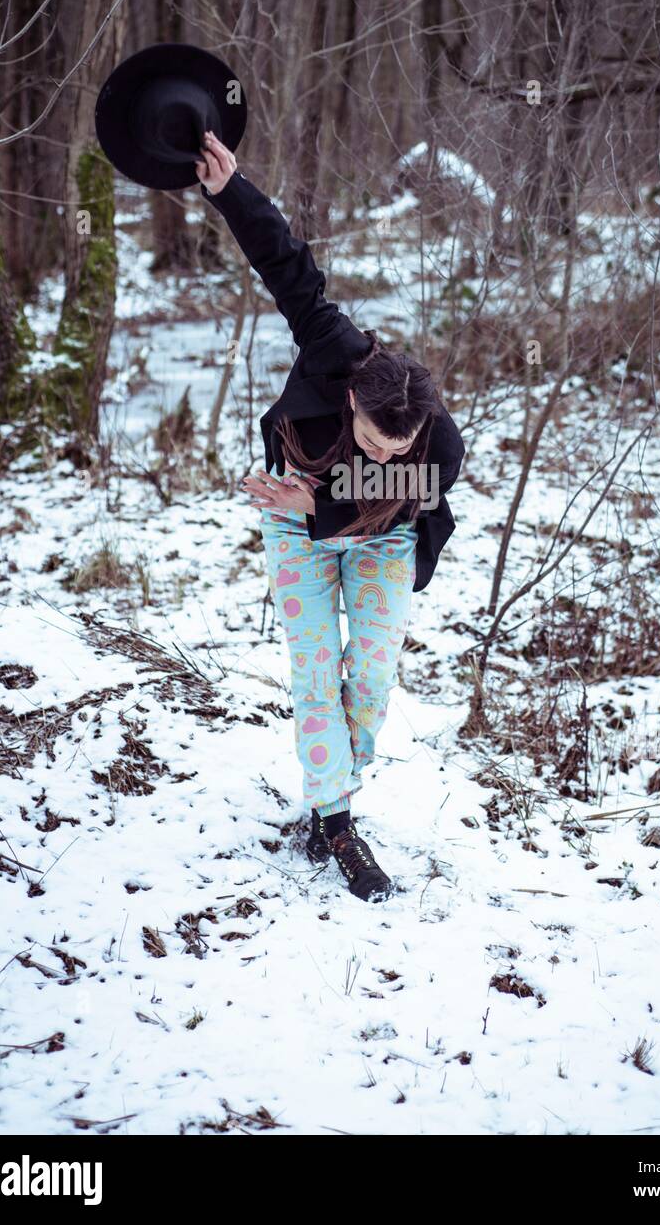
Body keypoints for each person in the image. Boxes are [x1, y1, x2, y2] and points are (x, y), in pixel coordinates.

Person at [196, 131, 465, 902]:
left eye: (402, 445)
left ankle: (330, 792)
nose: (390, 455)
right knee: (315, 676)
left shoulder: (438, 441)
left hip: (376, 534)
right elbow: (288, 267)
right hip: (293, 527)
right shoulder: (334, 349)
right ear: (352, 396)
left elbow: (408, 493)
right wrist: (230, 189)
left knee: (371, 680)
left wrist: (327, 497)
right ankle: (336, 821)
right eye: (379, 443)